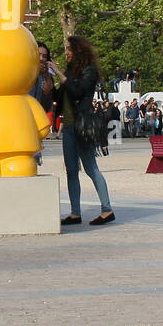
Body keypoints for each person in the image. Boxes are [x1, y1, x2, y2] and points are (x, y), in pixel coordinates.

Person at [53, 35, 115, 227]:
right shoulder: (70, 71)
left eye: (69, 50)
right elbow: (60, 95)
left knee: (91, 168)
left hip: (83, 124)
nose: (66, 53)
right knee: (71, 170)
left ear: (78, 51)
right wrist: (49, 79)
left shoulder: (90, 71)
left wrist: (59, 74)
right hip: (69, 125)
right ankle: (75, 213)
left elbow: (78, 92)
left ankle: (107, 209)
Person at [29, 42, 56, 166]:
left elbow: (47, 101)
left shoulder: (45, 76)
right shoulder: (24, 71)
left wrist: (48, 75)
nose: (41, 59)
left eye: (44, 56)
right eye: (38, 55)